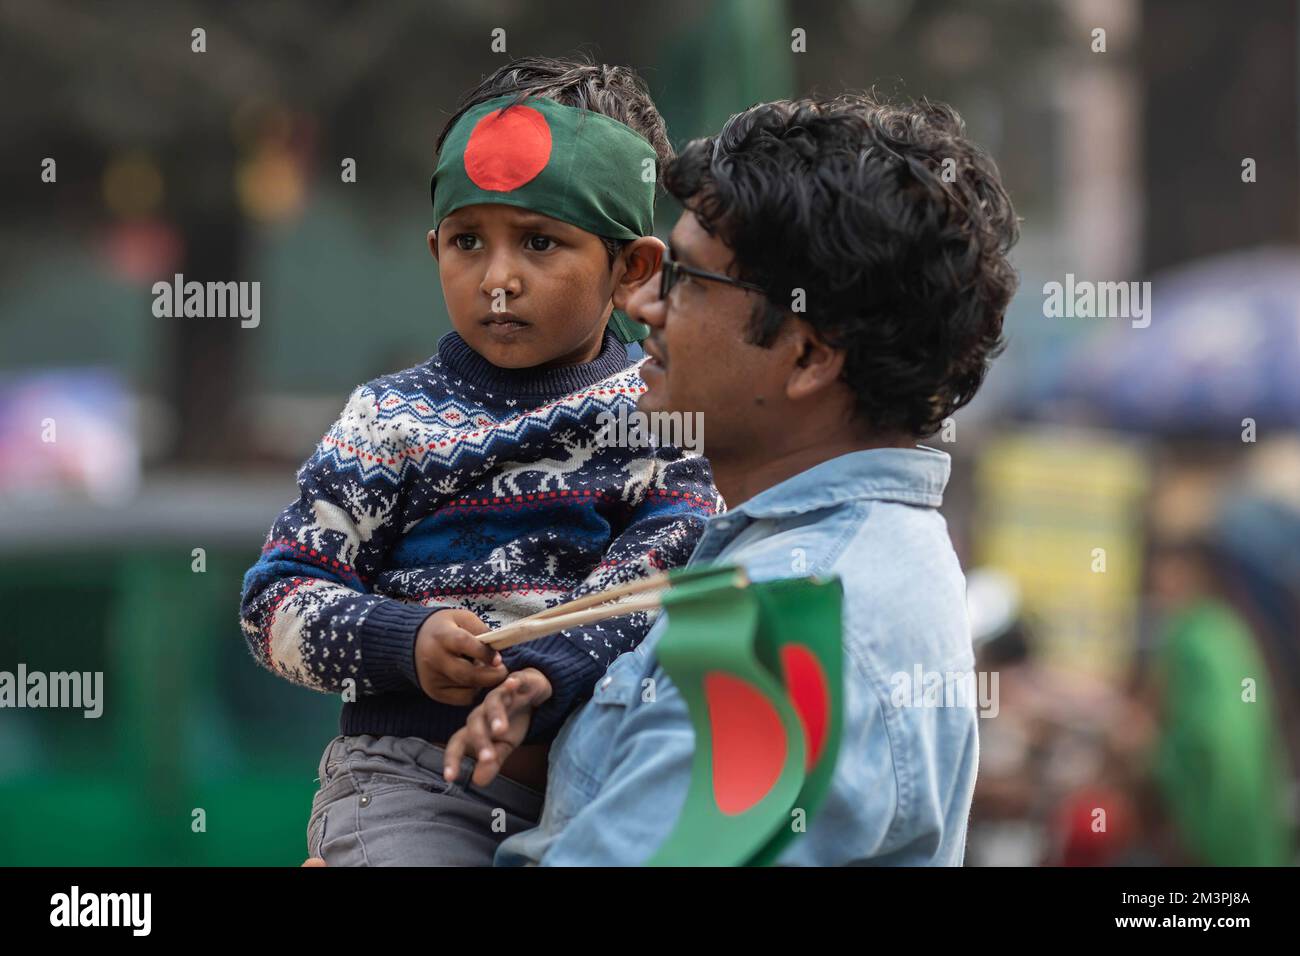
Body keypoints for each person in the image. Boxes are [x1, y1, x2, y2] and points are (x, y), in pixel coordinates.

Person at [442, 92, 1022, 865]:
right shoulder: (829, 566)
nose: (641, 302)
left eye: (683, 277)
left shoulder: (791, 628)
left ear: (811, 354)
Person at [241, 56, 716, 866]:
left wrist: (548, 667)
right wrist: (406, 641)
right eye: (468, 241)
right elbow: (275, 603)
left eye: (539, 242)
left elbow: (669, 572)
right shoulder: (385, 420)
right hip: (411, 788)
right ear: (435, 250)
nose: (498, 280)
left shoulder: (664, 408)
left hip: (612, 784)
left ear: (632, 269)